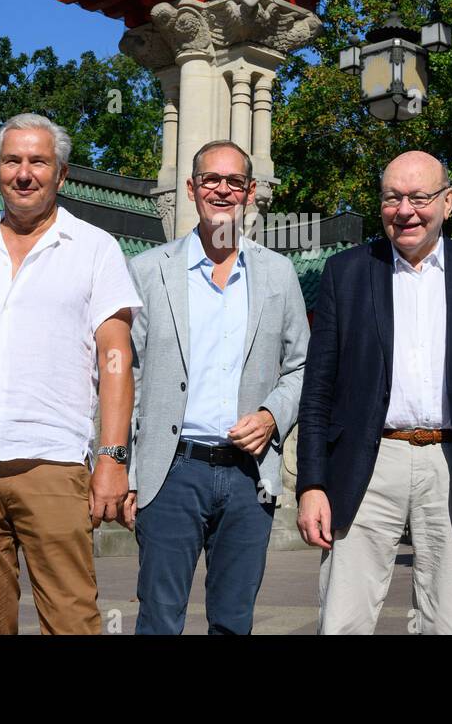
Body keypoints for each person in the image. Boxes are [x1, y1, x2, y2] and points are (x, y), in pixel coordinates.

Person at [0, 113, 141, 635]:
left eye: (38, 161)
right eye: (12, 160)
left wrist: (112, 458)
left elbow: (116, 359)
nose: (24, 172)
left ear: (61, 175)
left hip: (52, 462)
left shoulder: (94, 248)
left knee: (70, 620)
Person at [296, 151, 452, 634]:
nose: (406, 210)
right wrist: (312, 483)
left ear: (448, 202)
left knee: (448, 622)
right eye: (393, 197)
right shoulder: (346, 274)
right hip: (367, 460)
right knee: (343, 620)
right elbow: (317, 390)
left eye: (420, 197)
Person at [126, 140, 309, 634]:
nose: (222, 190)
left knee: (233, 621)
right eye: (211, 180)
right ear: (192, 188)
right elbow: (129, 376)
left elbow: (302, 366)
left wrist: (272, 415)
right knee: (159, 619)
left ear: (250, 192)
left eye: (234, 181)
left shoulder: (278, 273)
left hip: (249, 477)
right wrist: (124, 470)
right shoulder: (148, 271)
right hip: (171, 471)